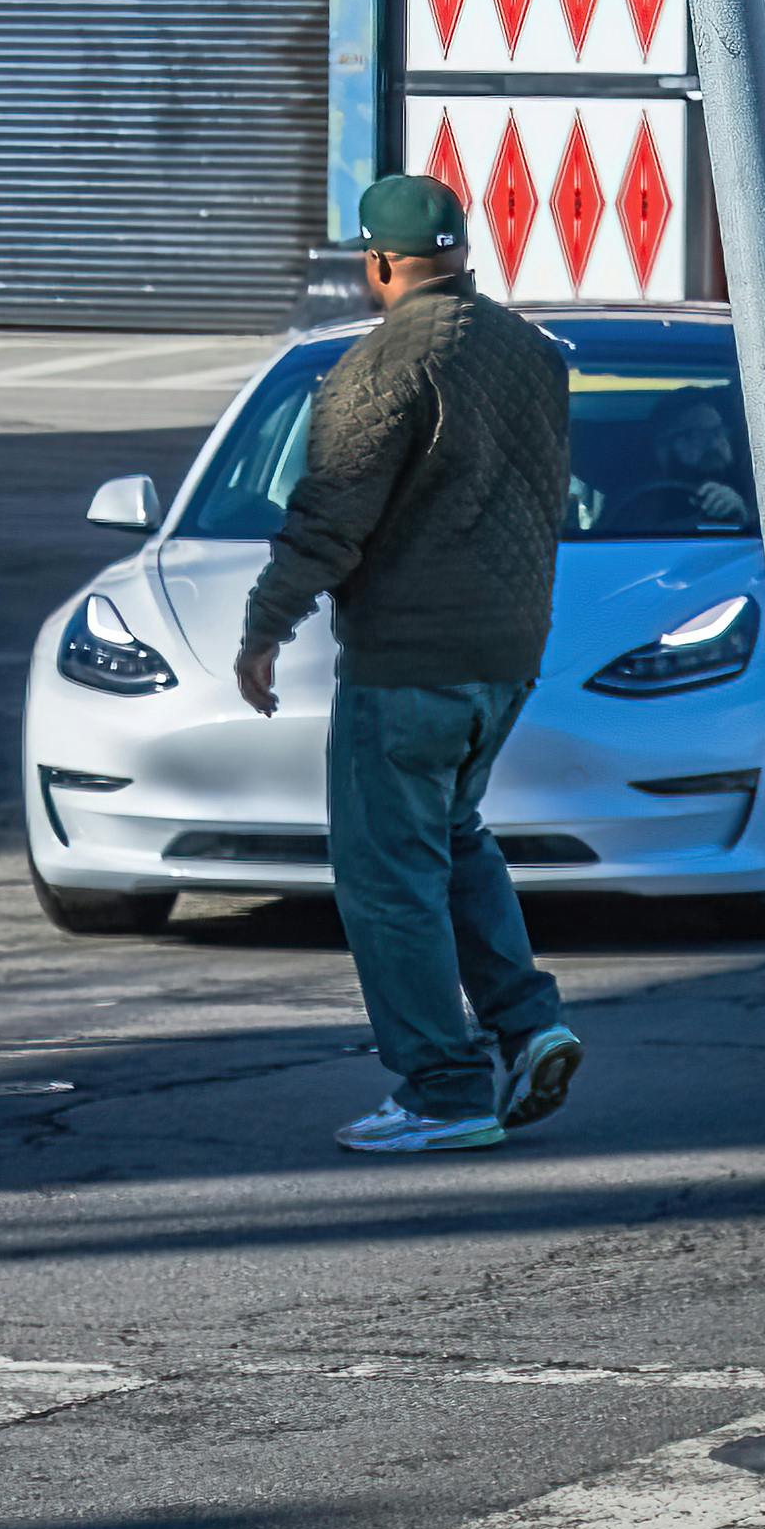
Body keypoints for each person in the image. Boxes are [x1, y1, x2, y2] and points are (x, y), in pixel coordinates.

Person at [235, 167, 583, 1159]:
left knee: (387, 878)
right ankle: (527, 1021)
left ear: (377, 262)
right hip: (507, 653)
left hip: (408, 662)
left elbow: (328, 515)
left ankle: (441, 1089)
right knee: (455, 834)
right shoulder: (532, 352)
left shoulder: (377, 366)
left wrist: (265, 625)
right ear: (460, 251)